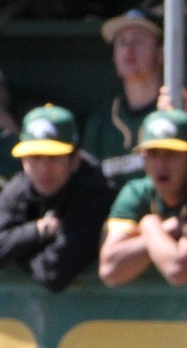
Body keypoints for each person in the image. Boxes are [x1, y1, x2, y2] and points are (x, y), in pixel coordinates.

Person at [98, 109, 187, 287]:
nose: (161, 165)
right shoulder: (136, 192)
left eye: (172, 154)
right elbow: (110, 270)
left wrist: (148, 228)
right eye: (153, 153)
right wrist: (157, 227)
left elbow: (178, 270)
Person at [0, 105, 112, 292]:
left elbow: (53, 273)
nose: (44, 169)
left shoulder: (95, 190)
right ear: (24, 161)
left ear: (75, 159)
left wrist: (14, 249)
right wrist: (36, 231)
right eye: (36, 157)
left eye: (54, 157)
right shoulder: (20, 187)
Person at [80, 10, 164, 182]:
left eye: (138, 40)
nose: (128, 49)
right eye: (121, 42)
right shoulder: (100, 122)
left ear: (161, 52)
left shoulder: (182, 109)